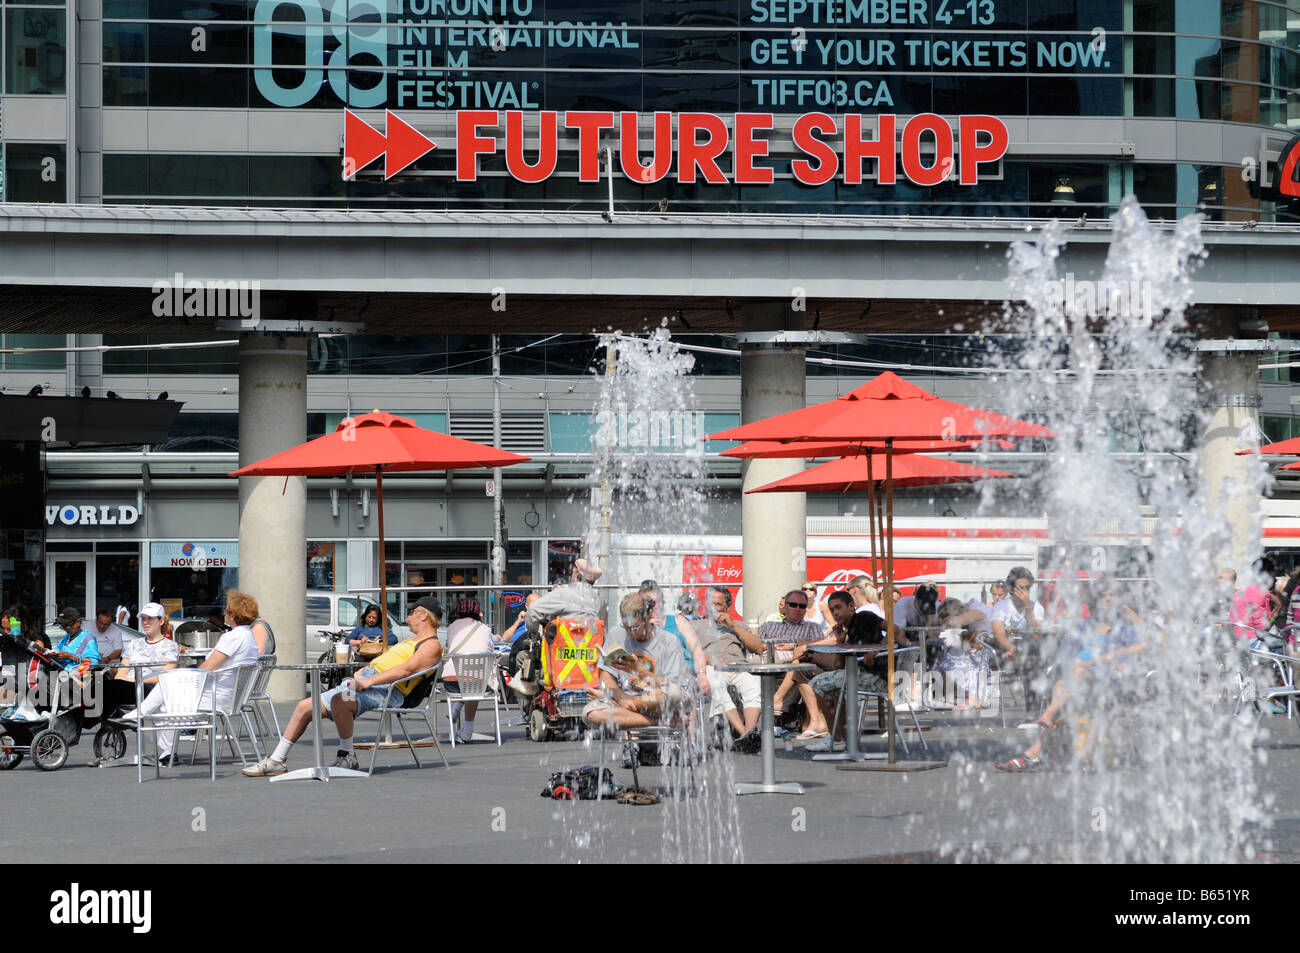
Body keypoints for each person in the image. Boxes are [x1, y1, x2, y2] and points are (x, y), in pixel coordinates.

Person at [243, 596, 445, 776]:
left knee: (341, 702)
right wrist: (363, 672)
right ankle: (277, 760)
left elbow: (406, 670)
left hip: (388, 689)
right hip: (368, 681)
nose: (409, 615)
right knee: (305, 706)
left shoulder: (431, 645)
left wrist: (368, 680)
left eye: (412, 611)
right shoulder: (411, 641)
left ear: (423, 615)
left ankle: (347, 755)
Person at [995, 583, 1143, 772]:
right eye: (1103, 595)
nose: (1107, 599)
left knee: (1085, 688)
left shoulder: (1124, 630)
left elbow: (1131, 656)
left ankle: (1040, 737)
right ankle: (1080, 758)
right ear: (1094, 601)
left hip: (1108, 681)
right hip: (1076, 684)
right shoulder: (1082, 626)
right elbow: (1063, 657)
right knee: (1070, 682)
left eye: (1112, 595)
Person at [131, 590, 260, 766]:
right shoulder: (248, 636)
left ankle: (143, 718)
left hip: (214, 697)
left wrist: (185, 679)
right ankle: (165, 751)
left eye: (227, 610)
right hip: (230, 696)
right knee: (167, 689)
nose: (224, 613)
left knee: (167, 684)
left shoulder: (232, 637)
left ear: (233, 615)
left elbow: (207, 668)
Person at [582, 591, 690, 733]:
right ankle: (659, 722)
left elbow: (672, 688)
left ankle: (630, 713)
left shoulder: (669, 641)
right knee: (591, 714)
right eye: (625, 626)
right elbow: (605, 676)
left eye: (634, 627)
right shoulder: (617, 634)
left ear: (647, 619)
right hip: (627, 698)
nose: (629, 632)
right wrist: (621, 698)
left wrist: (638, 670)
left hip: (654, 699)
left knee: (671, 694)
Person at [700, 586, 765, 743]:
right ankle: (745, 734)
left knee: (754, 686)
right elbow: (690, 652)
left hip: (739, 667)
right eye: (710, 603)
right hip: (713, 668)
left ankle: (749, 731)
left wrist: (733, 626)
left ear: (727, 607)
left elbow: (758, 648)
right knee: (717, 686)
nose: (712, 608)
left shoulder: (739, 626)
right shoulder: (696, 625)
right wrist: (711, 659)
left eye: (717, 604)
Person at [441, 607, 498, 743]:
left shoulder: (451, 627)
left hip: (451, 678)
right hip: (475, 681)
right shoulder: (485, 628)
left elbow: (449, 646)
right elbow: (490, 650)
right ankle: (467, 730)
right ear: (478, 613)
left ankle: (456, 715)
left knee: (463, 683)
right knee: (474, 684)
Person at [525, 557, 602, 635]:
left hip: (560, 645)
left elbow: (533, 610)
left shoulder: (564, 592)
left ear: (576, 574)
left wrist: (534, 635)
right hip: (590, 646)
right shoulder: (596, 599)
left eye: (573, 572)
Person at [47, 608, 101, 676]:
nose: (66, 629)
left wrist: (69, 656)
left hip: (77, 679)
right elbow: (57, 650)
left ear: (78, 622)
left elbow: (94, 662)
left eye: (68, 625)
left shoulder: (88, 638)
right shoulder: (66, 637)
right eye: (63, 626)